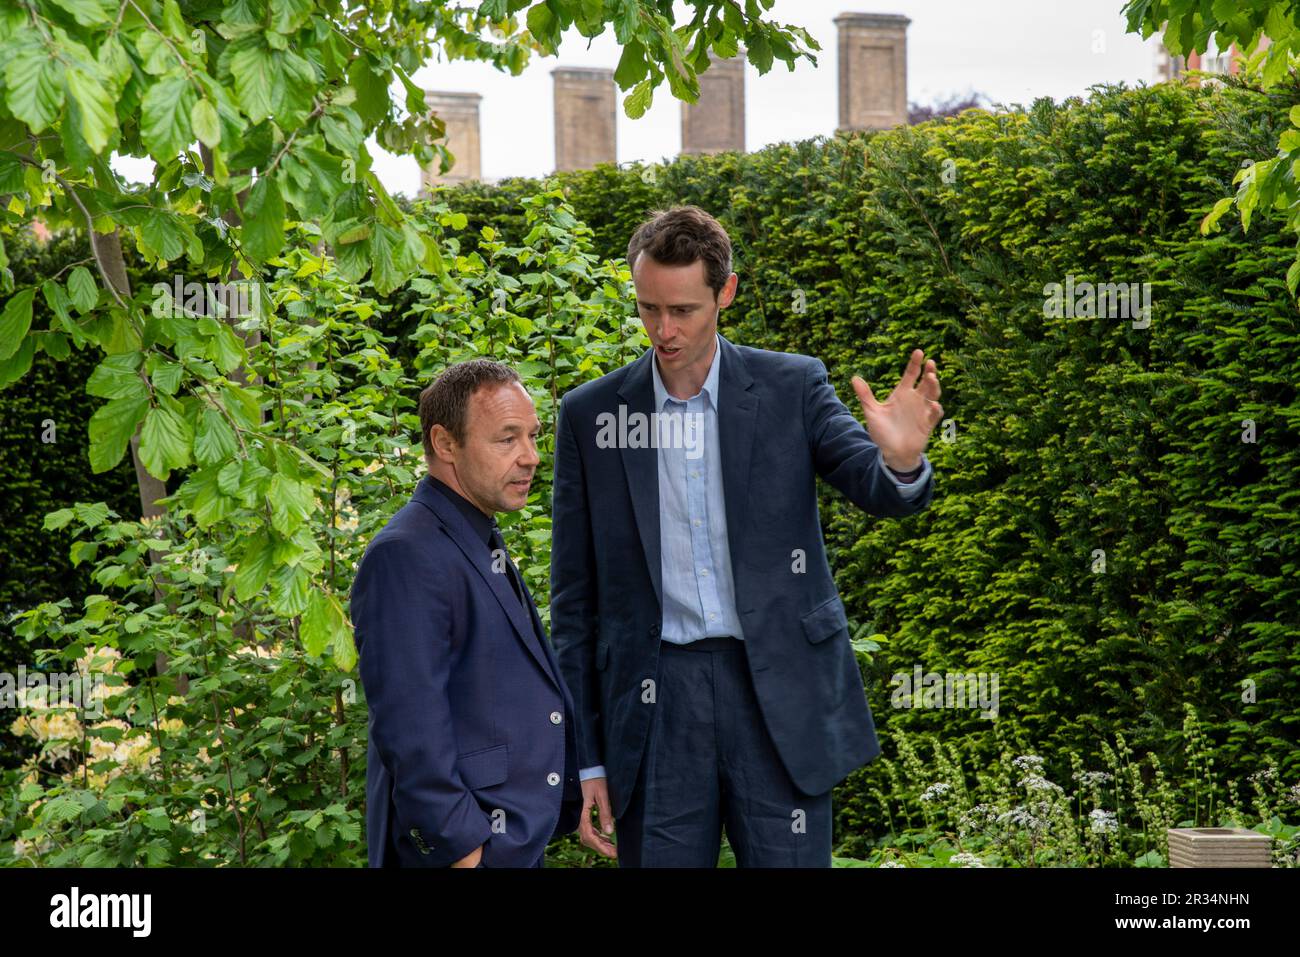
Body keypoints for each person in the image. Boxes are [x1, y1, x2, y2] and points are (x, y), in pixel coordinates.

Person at [550, 205, 942, 867]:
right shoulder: (592, 416)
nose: (663, 330)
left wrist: (902, 459)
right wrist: (587, 758)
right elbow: (574, 605)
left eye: (683, 310)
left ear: (725, 292)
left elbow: (874, 486)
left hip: (775, 695)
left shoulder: (792, 386)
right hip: (656, 705)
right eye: (648, 308)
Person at [351, 359, 581, 867]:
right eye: (507, 439)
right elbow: (410, 732)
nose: (530, 457)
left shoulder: (472, 534)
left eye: (533, 436)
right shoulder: (406, 554)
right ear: (445, 443)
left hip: (509, 840)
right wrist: (465, 852)